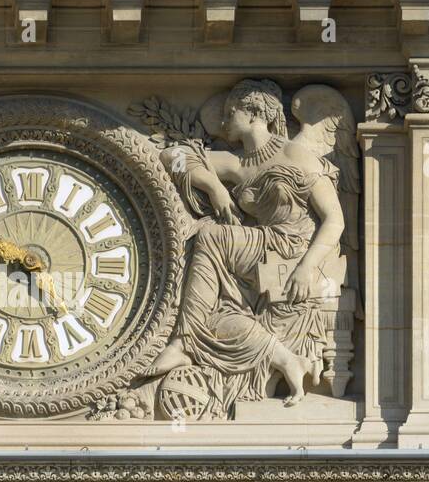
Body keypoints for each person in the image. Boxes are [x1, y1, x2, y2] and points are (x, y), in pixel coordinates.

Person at [145, 80, 344, 407]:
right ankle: (278, 356)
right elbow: (172, 155)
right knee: (216, 318)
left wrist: (307, 269)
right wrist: (214, 186)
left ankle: (182, 343)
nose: (223, 121)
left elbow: (335, 219)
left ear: (253, 114)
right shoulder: (237, 163)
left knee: (211, 234)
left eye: (230, 112)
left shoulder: (296, 154)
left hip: (293, 251)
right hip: (263, 250)